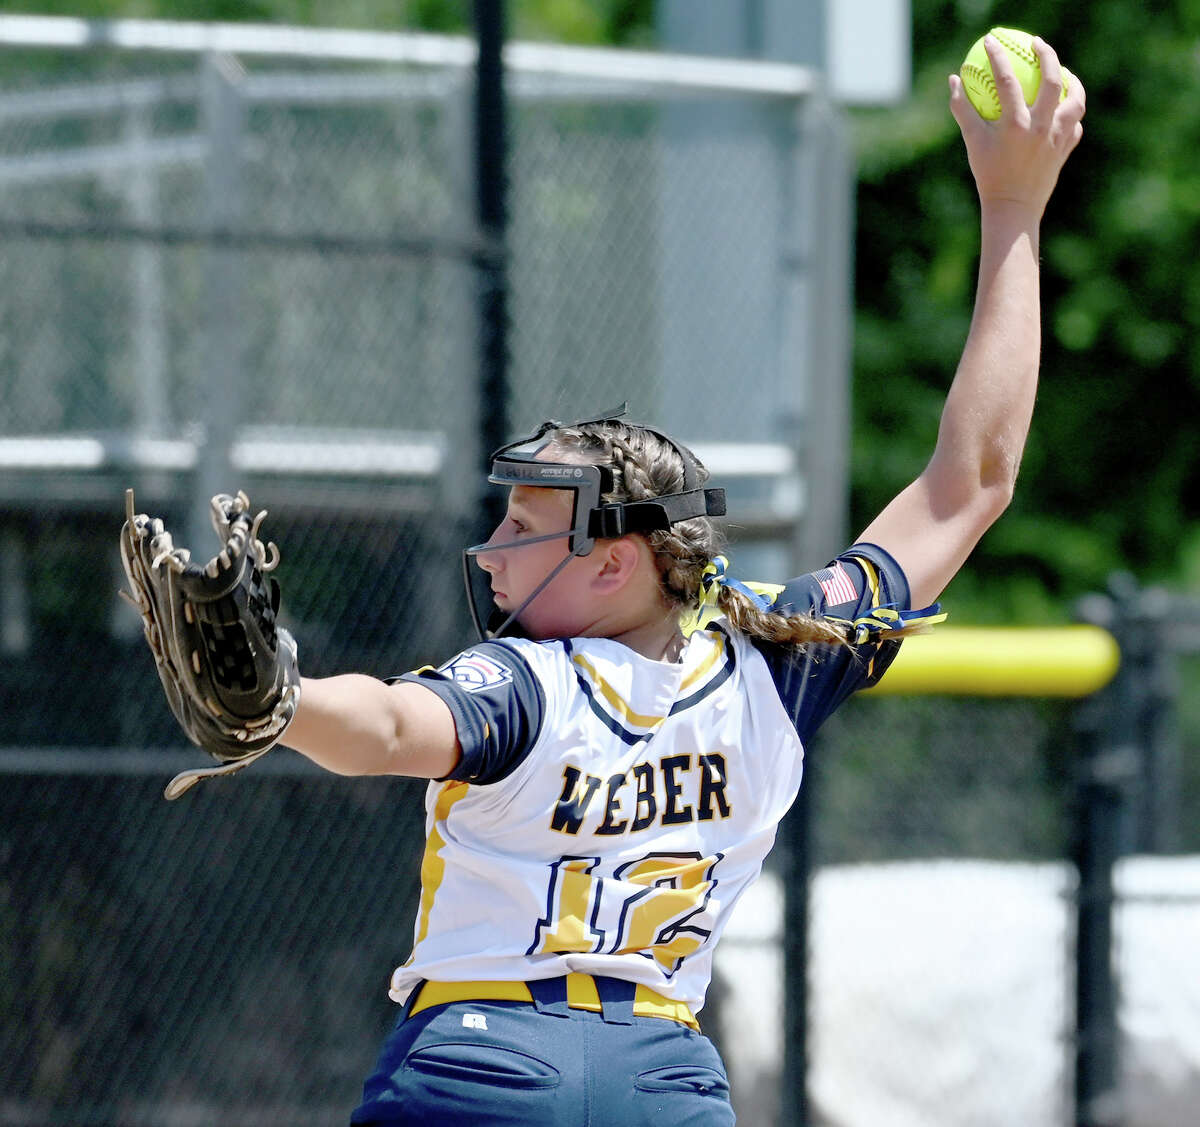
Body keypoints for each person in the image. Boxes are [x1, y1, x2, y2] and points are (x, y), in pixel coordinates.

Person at [280, 36, 1085, 1126]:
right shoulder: (777, 662)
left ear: (614, 560)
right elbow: (972, 483)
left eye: (524, 523)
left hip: (482, 1062)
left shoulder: (528, 682)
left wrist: (272, 696)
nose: (492, 547)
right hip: (664, 1077)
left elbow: (378, 726)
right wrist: (1016, 211)